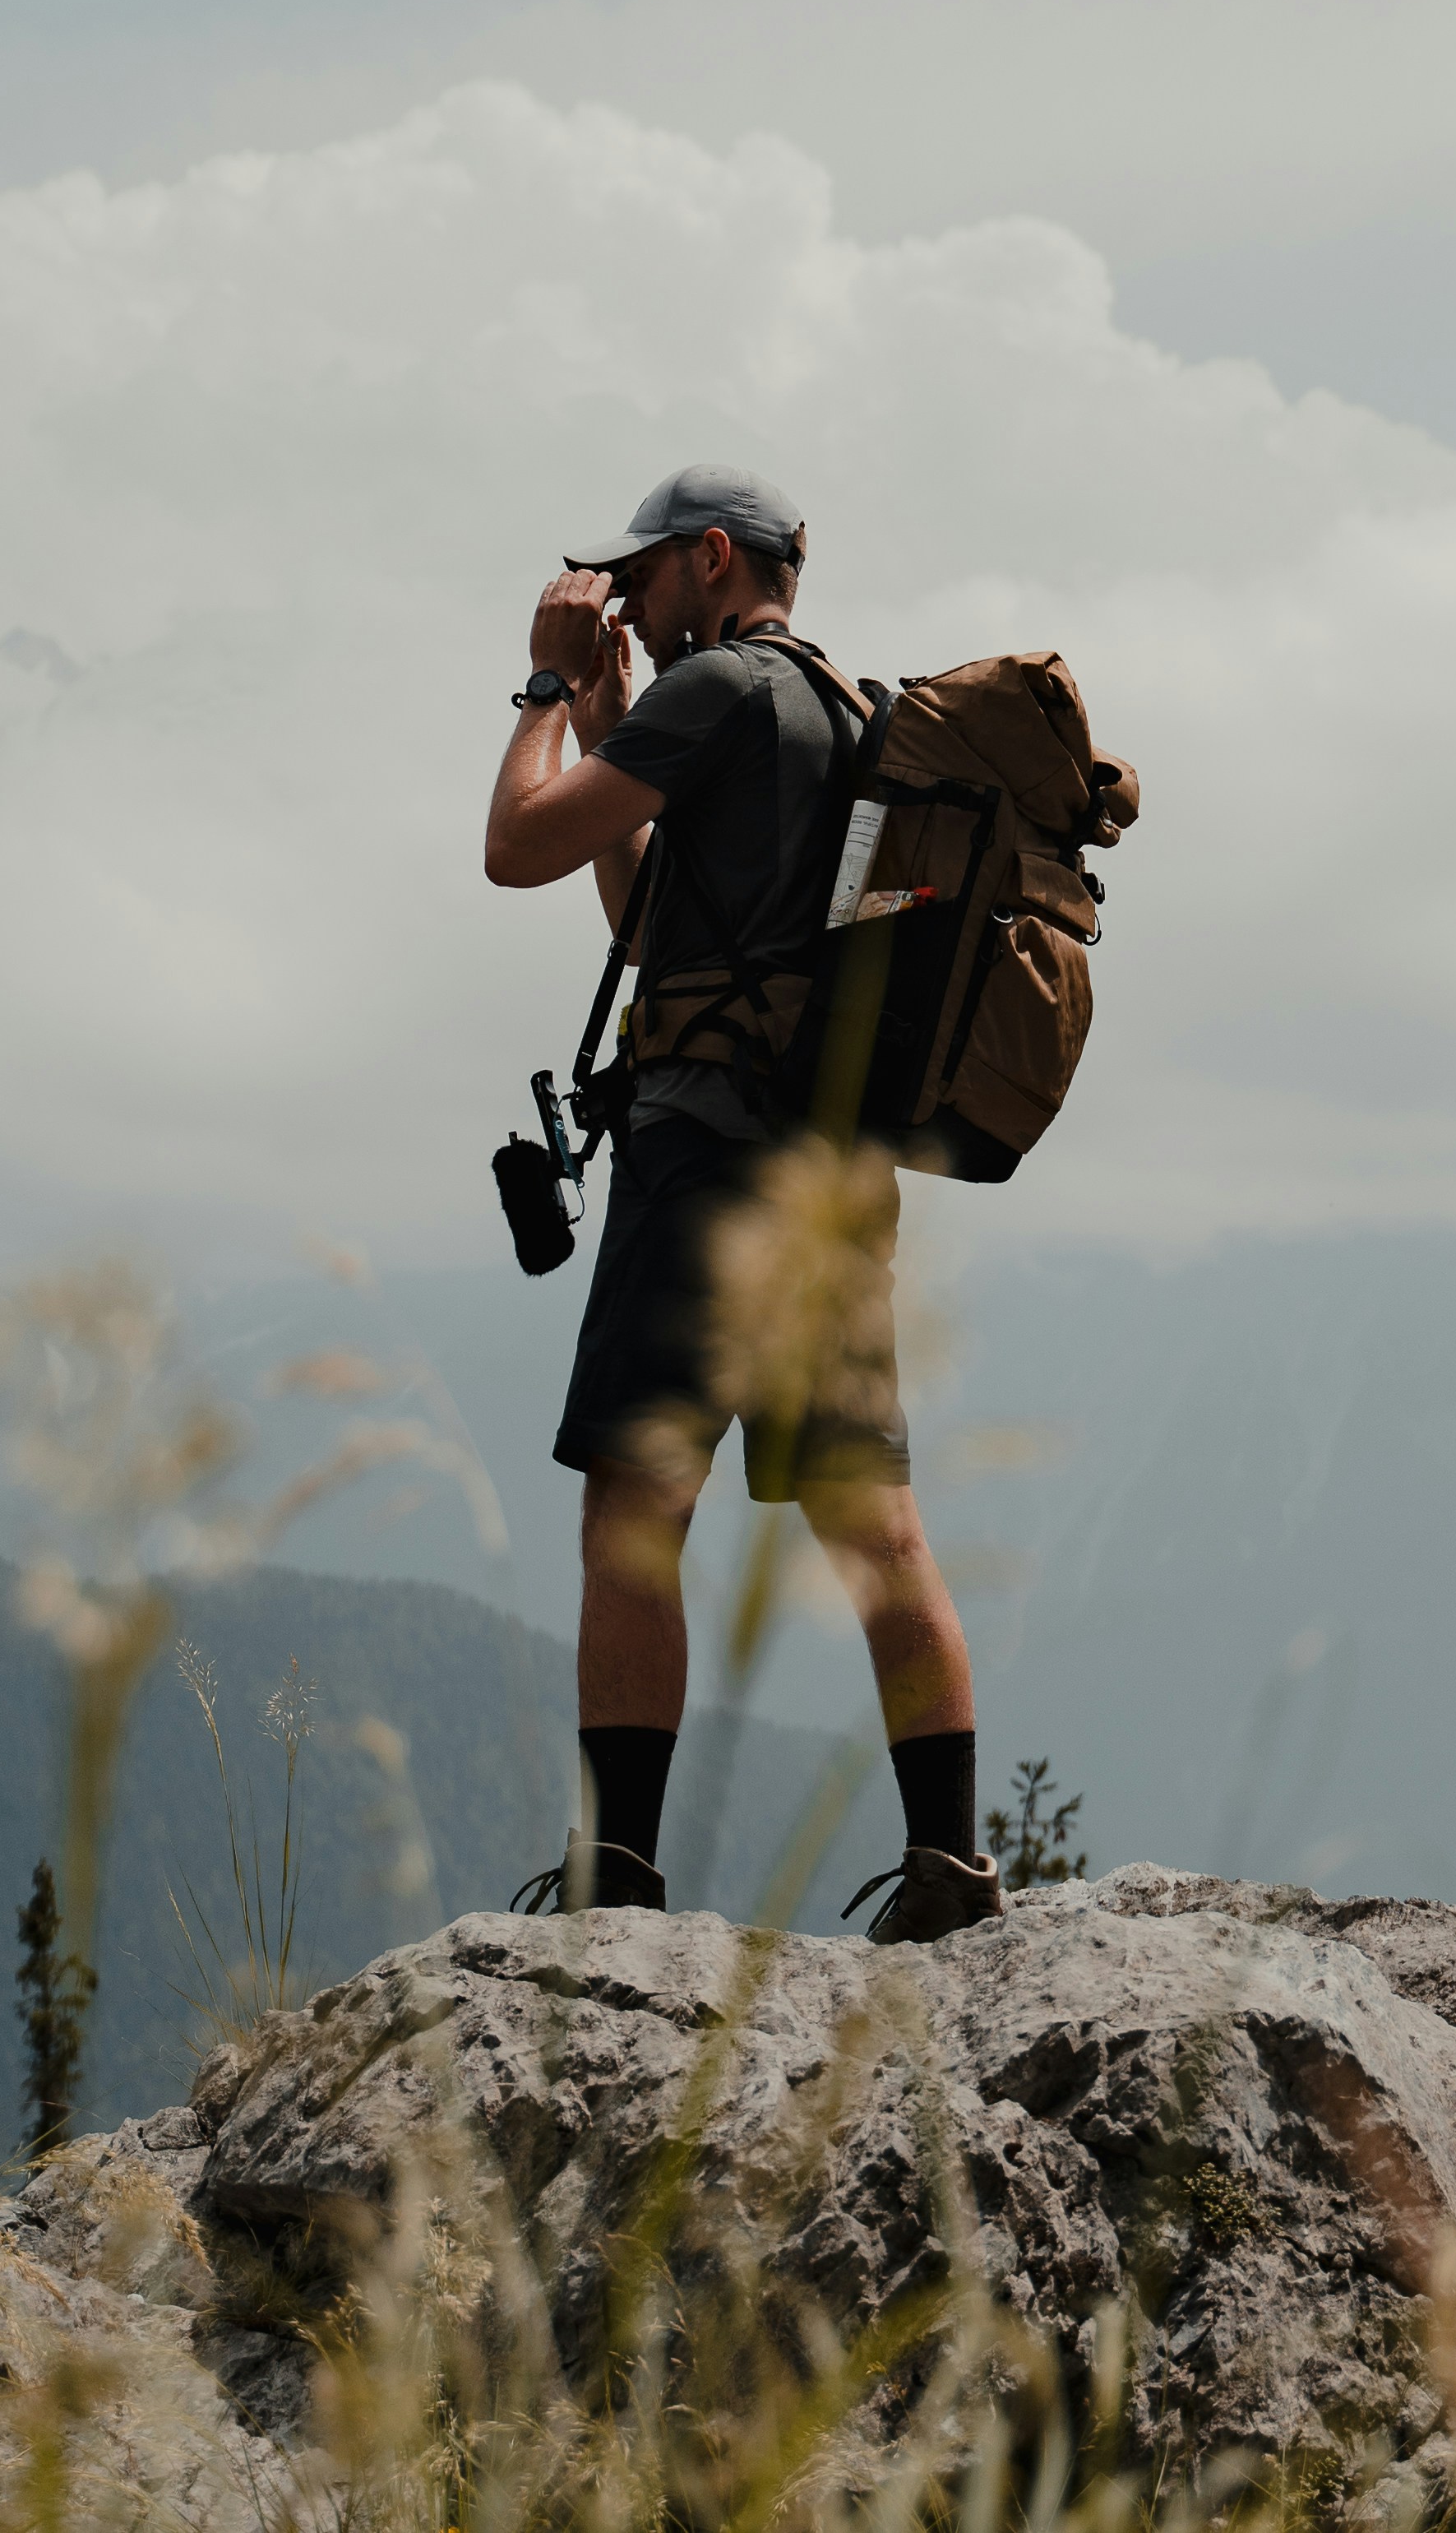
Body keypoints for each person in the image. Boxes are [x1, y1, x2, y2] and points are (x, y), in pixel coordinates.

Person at [482, 461, 1005, 1945]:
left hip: (704, 1151)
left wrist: (538, 683)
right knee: (875, 1525)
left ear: (715, 558)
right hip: (829, 1172)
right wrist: (606, 720)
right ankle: (948, 1870)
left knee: (636, 1509)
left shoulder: (714, 696)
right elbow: (657, 924)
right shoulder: (841, 711)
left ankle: (619, 1880)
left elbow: (516, 848)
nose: (627, 607)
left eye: (641, 577)